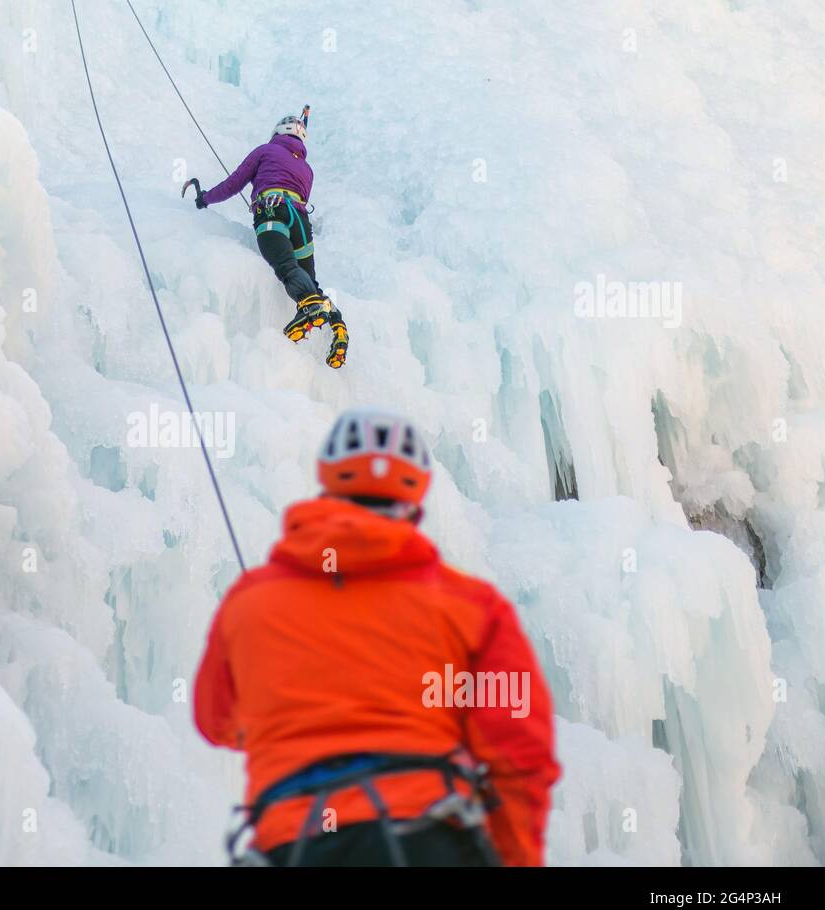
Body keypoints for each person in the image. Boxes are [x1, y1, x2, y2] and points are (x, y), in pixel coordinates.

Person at [193, 407, 561, 866]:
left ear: (327, 484)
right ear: (416, 502)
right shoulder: (470, 606)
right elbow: (521, 753)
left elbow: (217, 720)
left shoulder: (249, 603)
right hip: (427, 839)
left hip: (296, 843)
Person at [191, 112, 348, 369]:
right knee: (309, 279)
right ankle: (337, 325)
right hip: (300, 219)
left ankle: (310, 307)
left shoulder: (265, 151)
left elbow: (234, 183)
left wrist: (205, 198)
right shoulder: (307, 169)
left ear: (277, 133)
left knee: (286, 266)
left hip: (272, 210)